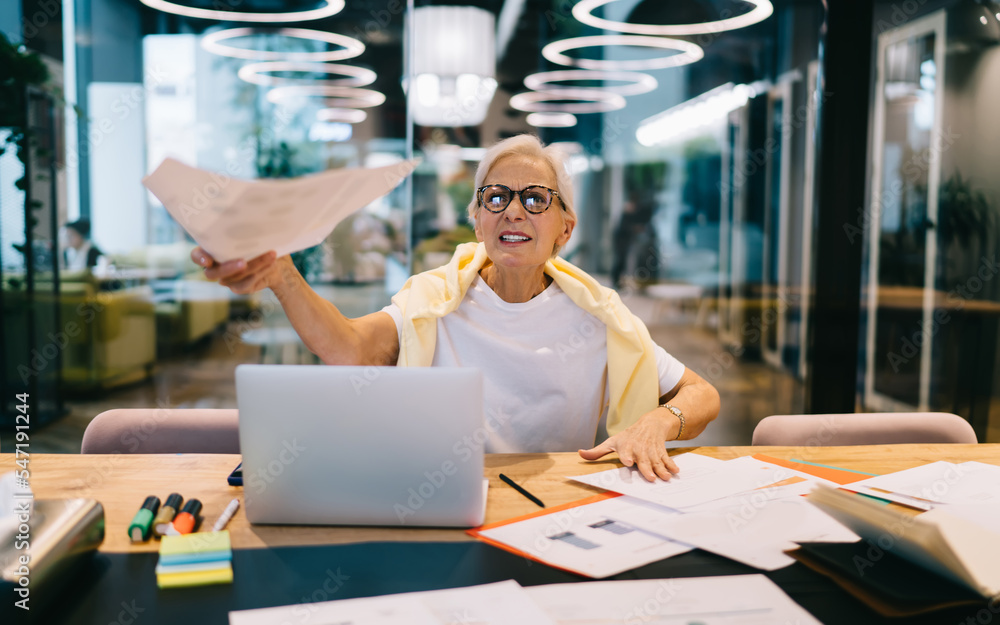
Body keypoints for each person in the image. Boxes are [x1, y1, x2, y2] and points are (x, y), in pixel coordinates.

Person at [192, 135, 720, 482]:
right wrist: (281, 274)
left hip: (561, 505)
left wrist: (661, 422)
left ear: (565, 228)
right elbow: (348, 348)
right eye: (496, 197)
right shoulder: (433, 300)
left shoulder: (600, 316)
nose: (513, 209)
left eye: (536, 198)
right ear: (478, 220)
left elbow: (702, 394)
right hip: (434, 498)